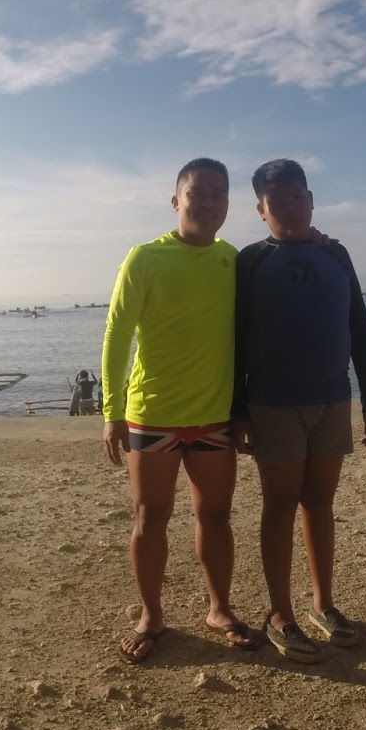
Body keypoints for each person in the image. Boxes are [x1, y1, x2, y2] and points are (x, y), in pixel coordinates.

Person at [101, 157, 260, 664]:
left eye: (219, 193)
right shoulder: (144, 258)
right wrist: (112, 410)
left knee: (215, 516)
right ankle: (151, 615)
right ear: (177, 201)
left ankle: (219, 608)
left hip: (214, 417)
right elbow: (117, 334)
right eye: (198, 192)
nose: (208, 201)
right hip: (152, 415)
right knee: (151, 517)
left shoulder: (235, 261)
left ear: (229, 205)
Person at [233, 159, 366, 663]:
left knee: (320, 502)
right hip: (272, 404)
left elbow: (358, 327)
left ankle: (323, 605)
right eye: (278, 202)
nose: (290, 210)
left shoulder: (337, 253)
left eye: (299, 198)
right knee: (279, 504)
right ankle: (280, 614)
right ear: (261, 210)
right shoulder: (250, 261)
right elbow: (234, 340)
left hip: (333, 399)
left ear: (311, 199)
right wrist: (239, 411)